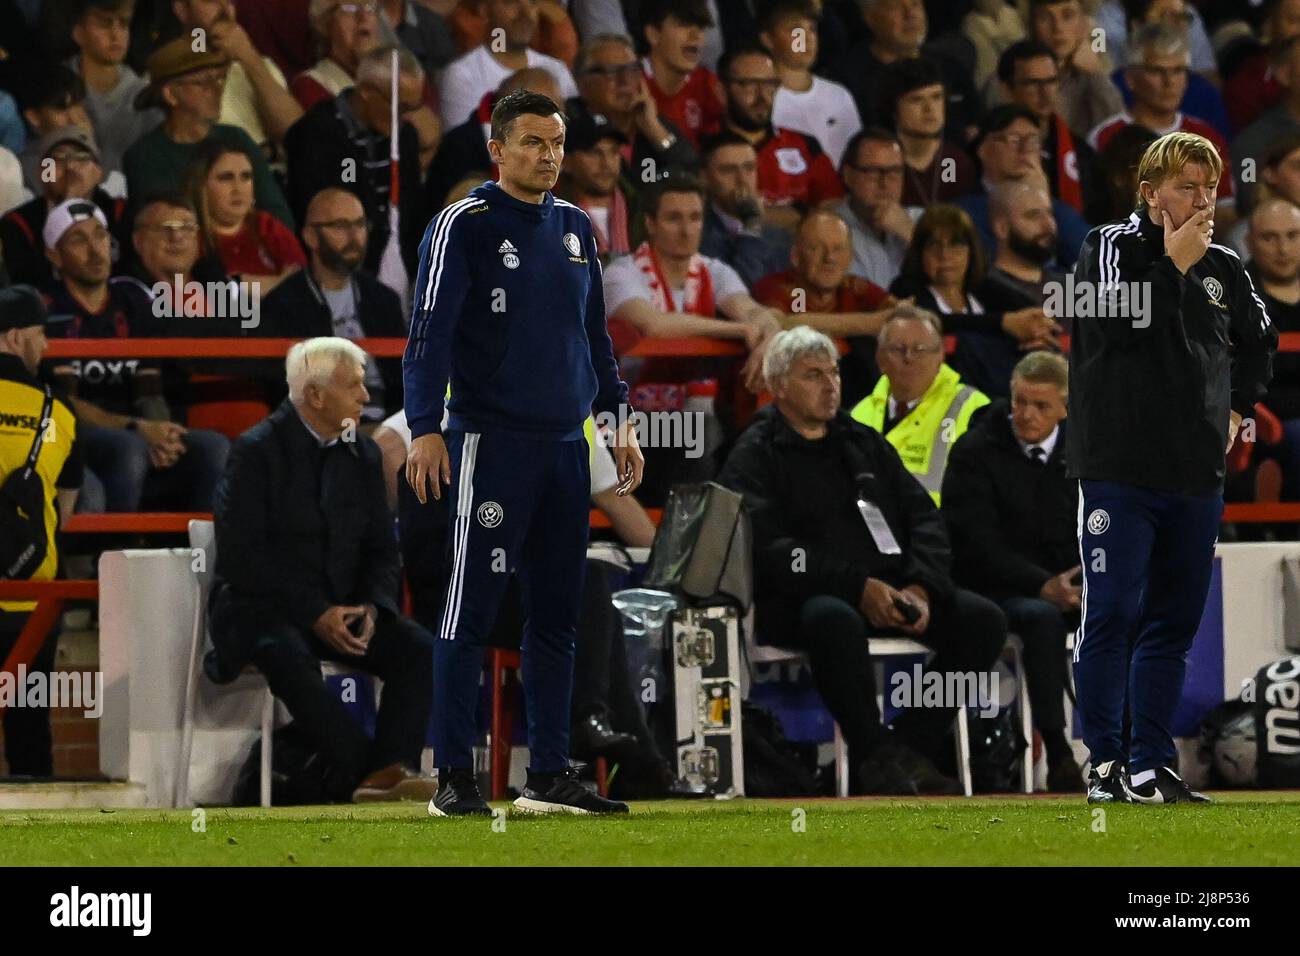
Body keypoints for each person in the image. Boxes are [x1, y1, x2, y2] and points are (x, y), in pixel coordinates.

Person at [402, 89, 643, 816]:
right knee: (466, 611)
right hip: (489, 439)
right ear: (498, 150)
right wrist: (424, 427)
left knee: (559, 614)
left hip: (567, 445)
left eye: (557, 143)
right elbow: (429, 333)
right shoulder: (461, 225)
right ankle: (454, 778)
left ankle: (546, 775)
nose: (549, 156)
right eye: (534, 143)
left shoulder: (576, 227)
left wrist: (619, 416)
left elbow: (593, 337)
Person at [1070, 131, 1277, 803]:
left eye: (1209, 188)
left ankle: (1150, 766)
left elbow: (1260, 343)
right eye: (1185, 186)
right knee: (1111, 612)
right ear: (1148, 191)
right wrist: (1170, 263)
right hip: (1119, 469)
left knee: (1172, 622)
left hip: (1194, 474)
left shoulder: (1223, 264)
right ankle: (1103, 762)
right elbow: (1113, 326)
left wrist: (1240, 407)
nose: (1200, 199)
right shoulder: (1106, 247)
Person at [718, 325, 1007, 794]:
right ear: (779, 386)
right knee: (833, 618)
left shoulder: (862, 439)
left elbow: (925, 518)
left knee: (983, 620)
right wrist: (857, 587)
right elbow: (771, 550)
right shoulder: (754, 453)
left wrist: (920, 585)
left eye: (833, 373)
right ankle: (874, 752)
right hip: (807, 598)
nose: (831, 385)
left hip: (892, 587)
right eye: (814, 375)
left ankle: (906, 746)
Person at [205, 337, 438, 804]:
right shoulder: (257, 451)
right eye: (354, 387)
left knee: (417, 648)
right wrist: (315, 612)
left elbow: (380, 550)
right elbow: (241, 557)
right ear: (315, 396)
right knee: (287, 656)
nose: (366, 398)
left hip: (342, 608)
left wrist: (373, 605)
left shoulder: (364, 455)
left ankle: (391, 768)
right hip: (263, 609)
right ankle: (374, 775)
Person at [940, 350, 1085, 792]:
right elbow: (975, 544)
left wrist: (1089, 580)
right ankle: (1059, 753)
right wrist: (1041, 585)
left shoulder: (1090, 451)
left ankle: (1139, 745)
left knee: (1130, 613)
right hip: (997, 587)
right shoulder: (975, 451)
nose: (1026, 415)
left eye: (1041, 406)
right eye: (1020, 402)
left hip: (1070, 584)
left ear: (1065, 407)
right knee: (1039, 618)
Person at [41, 198, 232, 512]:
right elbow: (63, 402)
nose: (95, 249)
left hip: (136, 429)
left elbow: (150, 384)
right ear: (54, 255)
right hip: (71, 434)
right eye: (78, 239)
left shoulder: (133, 297)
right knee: (127, 448)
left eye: (100, 236)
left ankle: (203, 557)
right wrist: (136, 428)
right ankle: (116, 554)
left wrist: (161, 433)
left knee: (213, 446)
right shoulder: (48, 308)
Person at [0, 287, 82, 778]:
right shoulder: (58, 415)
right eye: (41, 334)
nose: (47, 346)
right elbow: (65, 512)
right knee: (32, 730)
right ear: (13, 337)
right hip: (32, 597)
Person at [259, 187, 405, 424]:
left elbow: (404, 379)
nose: (354, 237)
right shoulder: (284, 304)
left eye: (360, 225)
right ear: (310, 237)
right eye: (340, 226)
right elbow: (286, 394)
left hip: (390, 423)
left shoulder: (383, 299)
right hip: (325, 425)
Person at [284, 45, 425, 282]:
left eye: (413, 108)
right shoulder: (314, 137)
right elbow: (316, 219)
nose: (407, 118)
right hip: (340, 274)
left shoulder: (405, 136)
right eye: (400, 107)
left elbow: (413, 214)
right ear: (367, 91)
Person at [123, 37, 294, 229]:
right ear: (171, 94)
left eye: (218, 79)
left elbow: (278, 216)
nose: (217, 89)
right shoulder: (145, 157)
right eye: (204, 83)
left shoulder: (236, 138)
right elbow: (166, 227)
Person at [1088, 24, 1234, 225]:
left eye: (1178, 71)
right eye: (1157, 71)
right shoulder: (1105, 135)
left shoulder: (1207, 136)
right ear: (1131, 79)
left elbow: (1225, 213)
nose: (1169, 82)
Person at [752, 208, 898, 401]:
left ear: (850, 257)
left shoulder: (856, 288)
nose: (829, 258)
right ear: (796, 255)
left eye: (838, 249)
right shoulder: (776, 286)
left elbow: (902, 317)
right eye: (816, 248)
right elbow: (782, 322)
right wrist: (872, 323)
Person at [849, 305, 990, 503]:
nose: (909, 358)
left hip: (944, 529)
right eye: (898, 349)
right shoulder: (858, 415)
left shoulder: (973, 407)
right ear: (879, 357)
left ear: (940, 356)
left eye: (920, 349)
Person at [716, 44, 843, 234]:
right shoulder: (706, 147)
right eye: (749, 84)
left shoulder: (805, 145)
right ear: (721, 90)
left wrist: (760, 214)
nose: (762, 96)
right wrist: (797, 213)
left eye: (769, 84)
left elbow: (833, 211)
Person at [171, 0, 304, 158]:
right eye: (210, 1)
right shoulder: (172, 77)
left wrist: (249, 59)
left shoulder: (259, 65)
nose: (223, 9)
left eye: (230, 1)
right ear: (182, 10)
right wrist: (270, 152)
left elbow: (298, 134)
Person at [1, 126, 124, 291]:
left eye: (82, 158)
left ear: (98, 173)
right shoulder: (18, 223)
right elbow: (28, 288)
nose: (71, 166)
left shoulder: (120, 212)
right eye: (58, 159)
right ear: (43, 173)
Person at [570, 32, 698, 187]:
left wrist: (655, 130)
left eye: (632, 69)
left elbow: (692, 177)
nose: (624, 81)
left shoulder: (653, 126)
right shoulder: (567, 130)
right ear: (582, 83)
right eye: (611, 71)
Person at [437, 0, 578, 131]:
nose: (526, 14)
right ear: (485, 11)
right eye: (511, 2)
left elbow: (576, 136)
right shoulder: (462, 75)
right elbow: (465, 148)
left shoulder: (556, 69)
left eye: (532, 3)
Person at [188, 140, 306, 297]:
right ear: (201, 185)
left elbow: (302, 283)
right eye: (226, 178)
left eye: (246, 177)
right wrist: (278, 281)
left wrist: (239, 283)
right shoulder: (189, 236)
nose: (238, 188)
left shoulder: (266, 225)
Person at [66, 0, 161, 183]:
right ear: (78, 33)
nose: (116, 34)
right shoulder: (57, 92)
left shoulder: (146, 96)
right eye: (105, 24)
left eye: (124, 25)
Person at [760, 0, 861, 168]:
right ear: (768, 39)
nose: (806, 38)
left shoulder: (838, 95)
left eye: (812, 29)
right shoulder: (762, 98)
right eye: (795, 30)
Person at [1247, 197, 1300, 498]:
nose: (1283, 249)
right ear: (1250, 241)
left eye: (1292, 236)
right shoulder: (1234, 293)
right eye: (1270, 238)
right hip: (1259, 414)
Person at [878, 56, 977, 207]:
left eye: (936, 97)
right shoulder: (879, 162)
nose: (929, 109)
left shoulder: (950, 162)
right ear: (893, 109)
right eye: (916, 100)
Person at [697, 132, 791, 287]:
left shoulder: (778, 236)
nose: (742, 180)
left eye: (749, 168)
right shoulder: (696, 234)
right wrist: (752, 226)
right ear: (704, 178)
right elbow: (739, 290)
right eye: (728, 170)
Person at [833, 128, 921, 286]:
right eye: (872, 172)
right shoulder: (830, 232)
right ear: (848, 176)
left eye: (894, 171)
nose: (885, 183)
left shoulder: (922, 220)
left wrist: (912, 234)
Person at [555, 104, 639, 260]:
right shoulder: (550, 217)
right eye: (594, 152)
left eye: (613, 152)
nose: (606, 163)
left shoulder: (643, 210)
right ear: (565, 161)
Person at [639, 0, 726, 149]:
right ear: (653, 34)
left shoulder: (707, 84)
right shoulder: (629, 84)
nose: (696, 35)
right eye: (684, 24)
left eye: (701, 27)